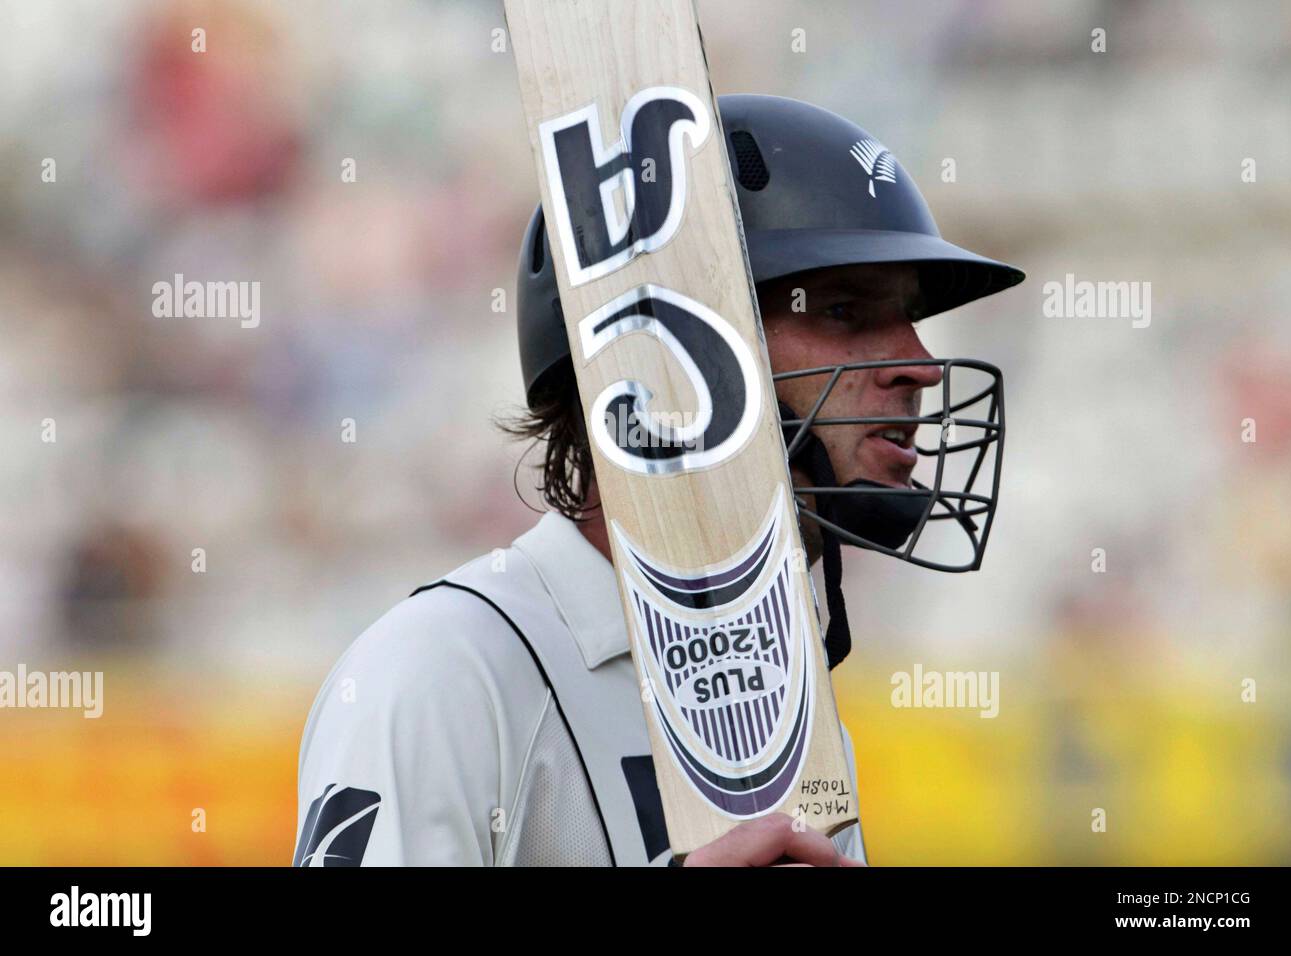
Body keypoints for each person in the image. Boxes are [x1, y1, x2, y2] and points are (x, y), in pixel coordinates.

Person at [294, 95, 1023, 867]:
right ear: (663, 361)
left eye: (909, 317)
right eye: (845, 309)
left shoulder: (790, 703)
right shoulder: (442, 670)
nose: (922, 365)